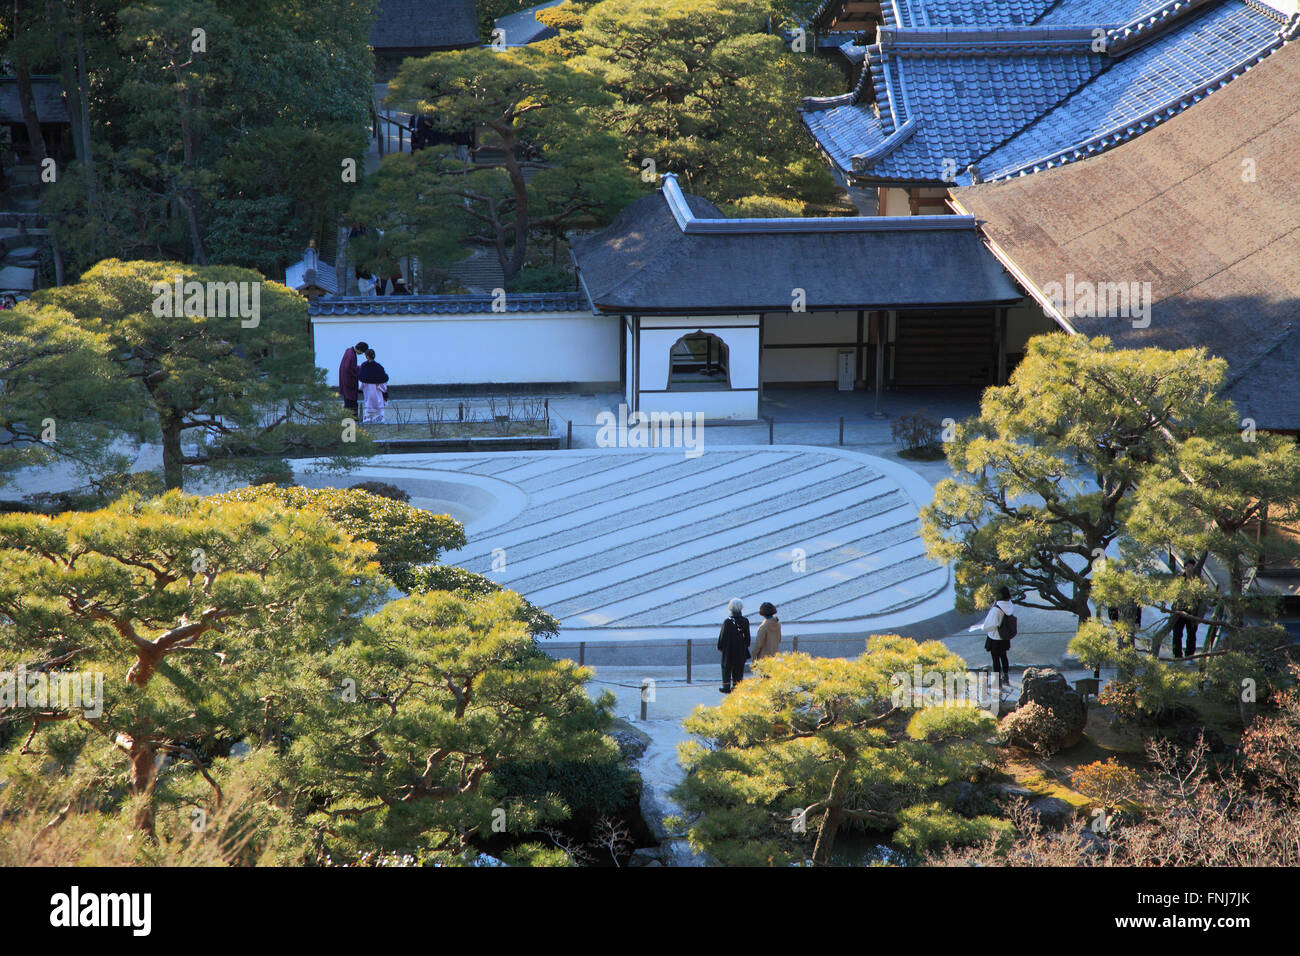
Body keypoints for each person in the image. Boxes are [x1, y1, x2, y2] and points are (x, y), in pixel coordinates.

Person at [969, 586, 1015, 687]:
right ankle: (1006, 677)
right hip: (1005, 636)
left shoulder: (997, 609)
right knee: (1004, 656)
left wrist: (981, 627)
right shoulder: (1009, 604)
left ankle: (997, 681)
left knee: (995, 659)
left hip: (995, 637)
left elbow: (990, 625)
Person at [717, 598, 751, 693]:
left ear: (730, 608)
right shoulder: (745, 621)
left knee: (726, 668)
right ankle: (737, 687)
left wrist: (720, 646)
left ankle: (726, 687)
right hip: (741, 649)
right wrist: (746, 645)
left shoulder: (727, 622)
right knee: (739, 669)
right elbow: (747, 637)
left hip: (729, 649)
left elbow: (722, 636)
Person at [1171, 566, 1200, 658]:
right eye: (1188, 567)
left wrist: (1199, 615)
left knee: (1191, 635)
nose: (1190, 569)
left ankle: (1189, 655)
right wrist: (1173, 611)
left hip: (1192, 612)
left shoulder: (1197, 581)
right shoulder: (1179, 580)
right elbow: (1173, 596)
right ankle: (1177, 655)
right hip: (1179, 611)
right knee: (1177, 634)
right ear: (1185, 568)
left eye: (1192, 567)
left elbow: (1202, 600)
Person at [358, 348, 389, 424]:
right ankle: (380, 419)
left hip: (367, 388)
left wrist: (361, 387)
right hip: (377, 388)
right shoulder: (378, 366)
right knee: (378, 403)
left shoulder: (364, 366)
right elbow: (384, 378)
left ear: (367, 356)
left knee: (369, 404)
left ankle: (367, 419)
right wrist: (379, 385)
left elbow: (361, 378)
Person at [338, 340, 367, 417]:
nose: (361, 354)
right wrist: (359, 368)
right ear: (360, 350)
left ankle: (348, 416)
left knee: (347, 399)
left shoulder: (348, 351)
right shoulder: (351, 356)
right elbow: (349, 368)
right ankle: (352, 417)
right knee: (351, 400)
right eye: (362, 352)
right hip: (348, 380)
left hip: (344, 378)